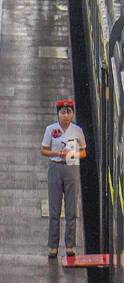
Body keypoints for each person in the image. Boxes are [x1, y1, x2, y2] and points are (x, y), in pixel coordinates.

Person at [42, 100, 87, 259]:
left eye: (69, 112)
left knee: (71, 209)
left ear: (72, 114)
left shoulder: (77, 130)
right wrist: (57, 154)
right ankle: (53, 246)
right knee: (54, 209)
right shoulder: (51, 130)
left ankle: (69, 246)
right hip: (55, 167)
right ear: (58, 113)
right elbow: (44, 150)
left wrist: (73, 154)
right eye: (63, 112)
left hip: (71, 168)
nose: (66, 116)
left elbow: (83, 152)